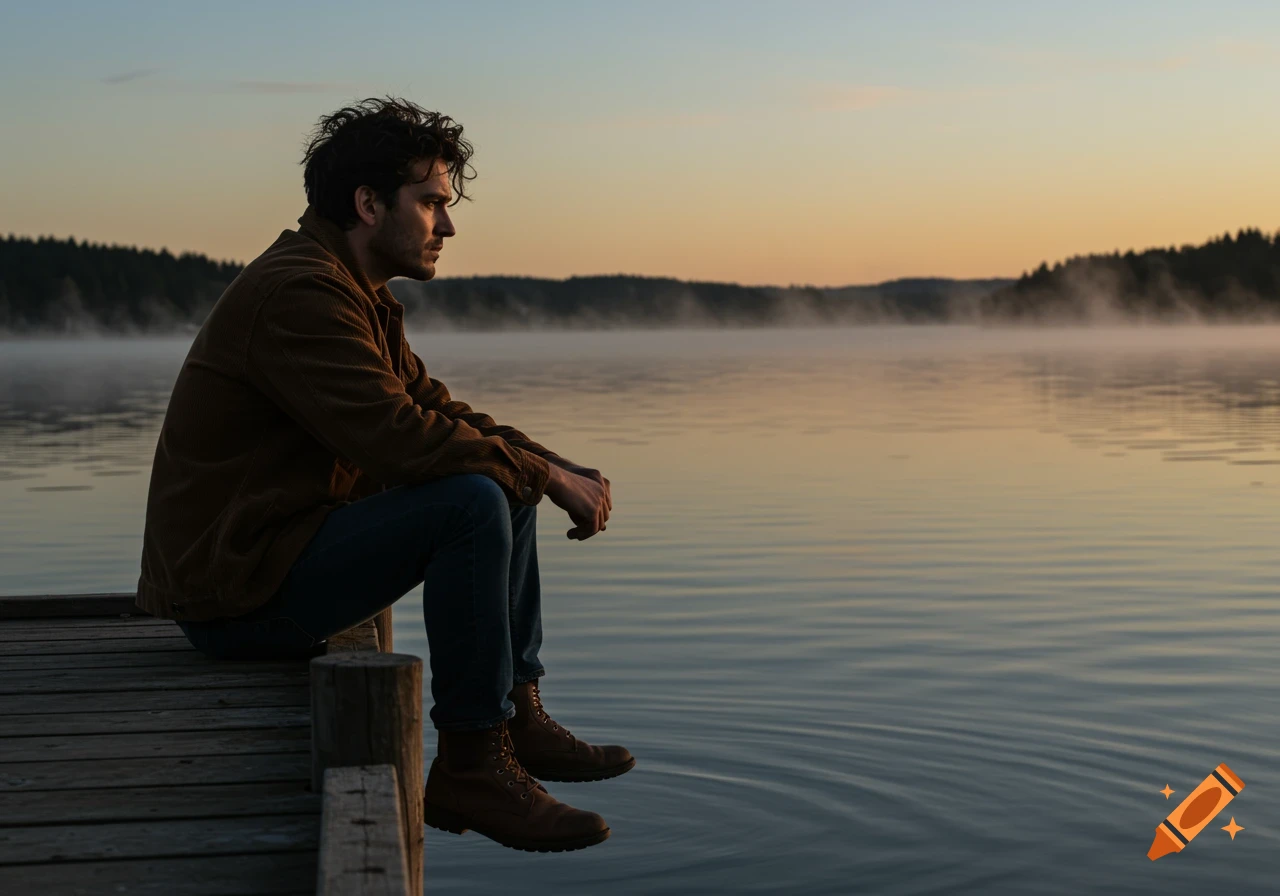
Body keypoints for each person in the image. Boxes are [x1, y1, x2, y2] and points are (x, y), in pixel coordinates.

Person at [135, 97, 632, 853]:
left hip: (275, 559)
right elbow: (401, 441)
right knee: (471, 497)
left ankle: (516, 719)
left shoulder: (352, 291)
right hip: (233, 599)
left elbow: (437, 411)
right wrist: (540, 473)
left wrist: (550, 465)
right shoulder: (301, 294)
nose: (449, 225)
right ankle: (471, 764)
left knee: (499, 477)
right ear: (368, 204)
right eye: (432, 202)